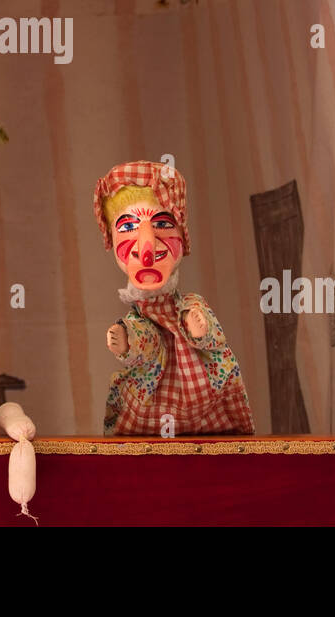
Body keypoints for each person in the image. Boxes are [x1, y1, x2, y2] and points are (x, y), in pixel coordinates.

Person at [97, 161, 255, 436]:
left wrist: (198, 327)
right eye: (128, 227)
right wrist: (129, 339)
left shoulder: (189, 304)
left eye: (162, 224)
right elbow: (147, 341)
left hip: (208, 410)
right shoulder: (139, 319)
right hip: (150, 418)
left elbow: (212, 338)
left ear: (182, 234)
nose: (147, 246)